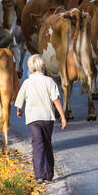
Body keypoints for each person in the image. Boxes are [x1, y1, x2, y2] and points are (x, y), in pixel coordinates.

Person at [14, 53, 67, 182]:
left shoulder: (27, 82)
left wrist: (19, 110)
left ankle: (39, 175)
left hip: (33, 119)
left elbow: (19, 99)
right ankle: (49, 174)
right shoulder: (49, 81)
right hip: (47, 118)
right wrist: (62, 116)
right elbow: (56, 99)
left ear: (31, 69)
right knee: (47, 143)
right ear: (43, 68)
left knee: (37, 144)